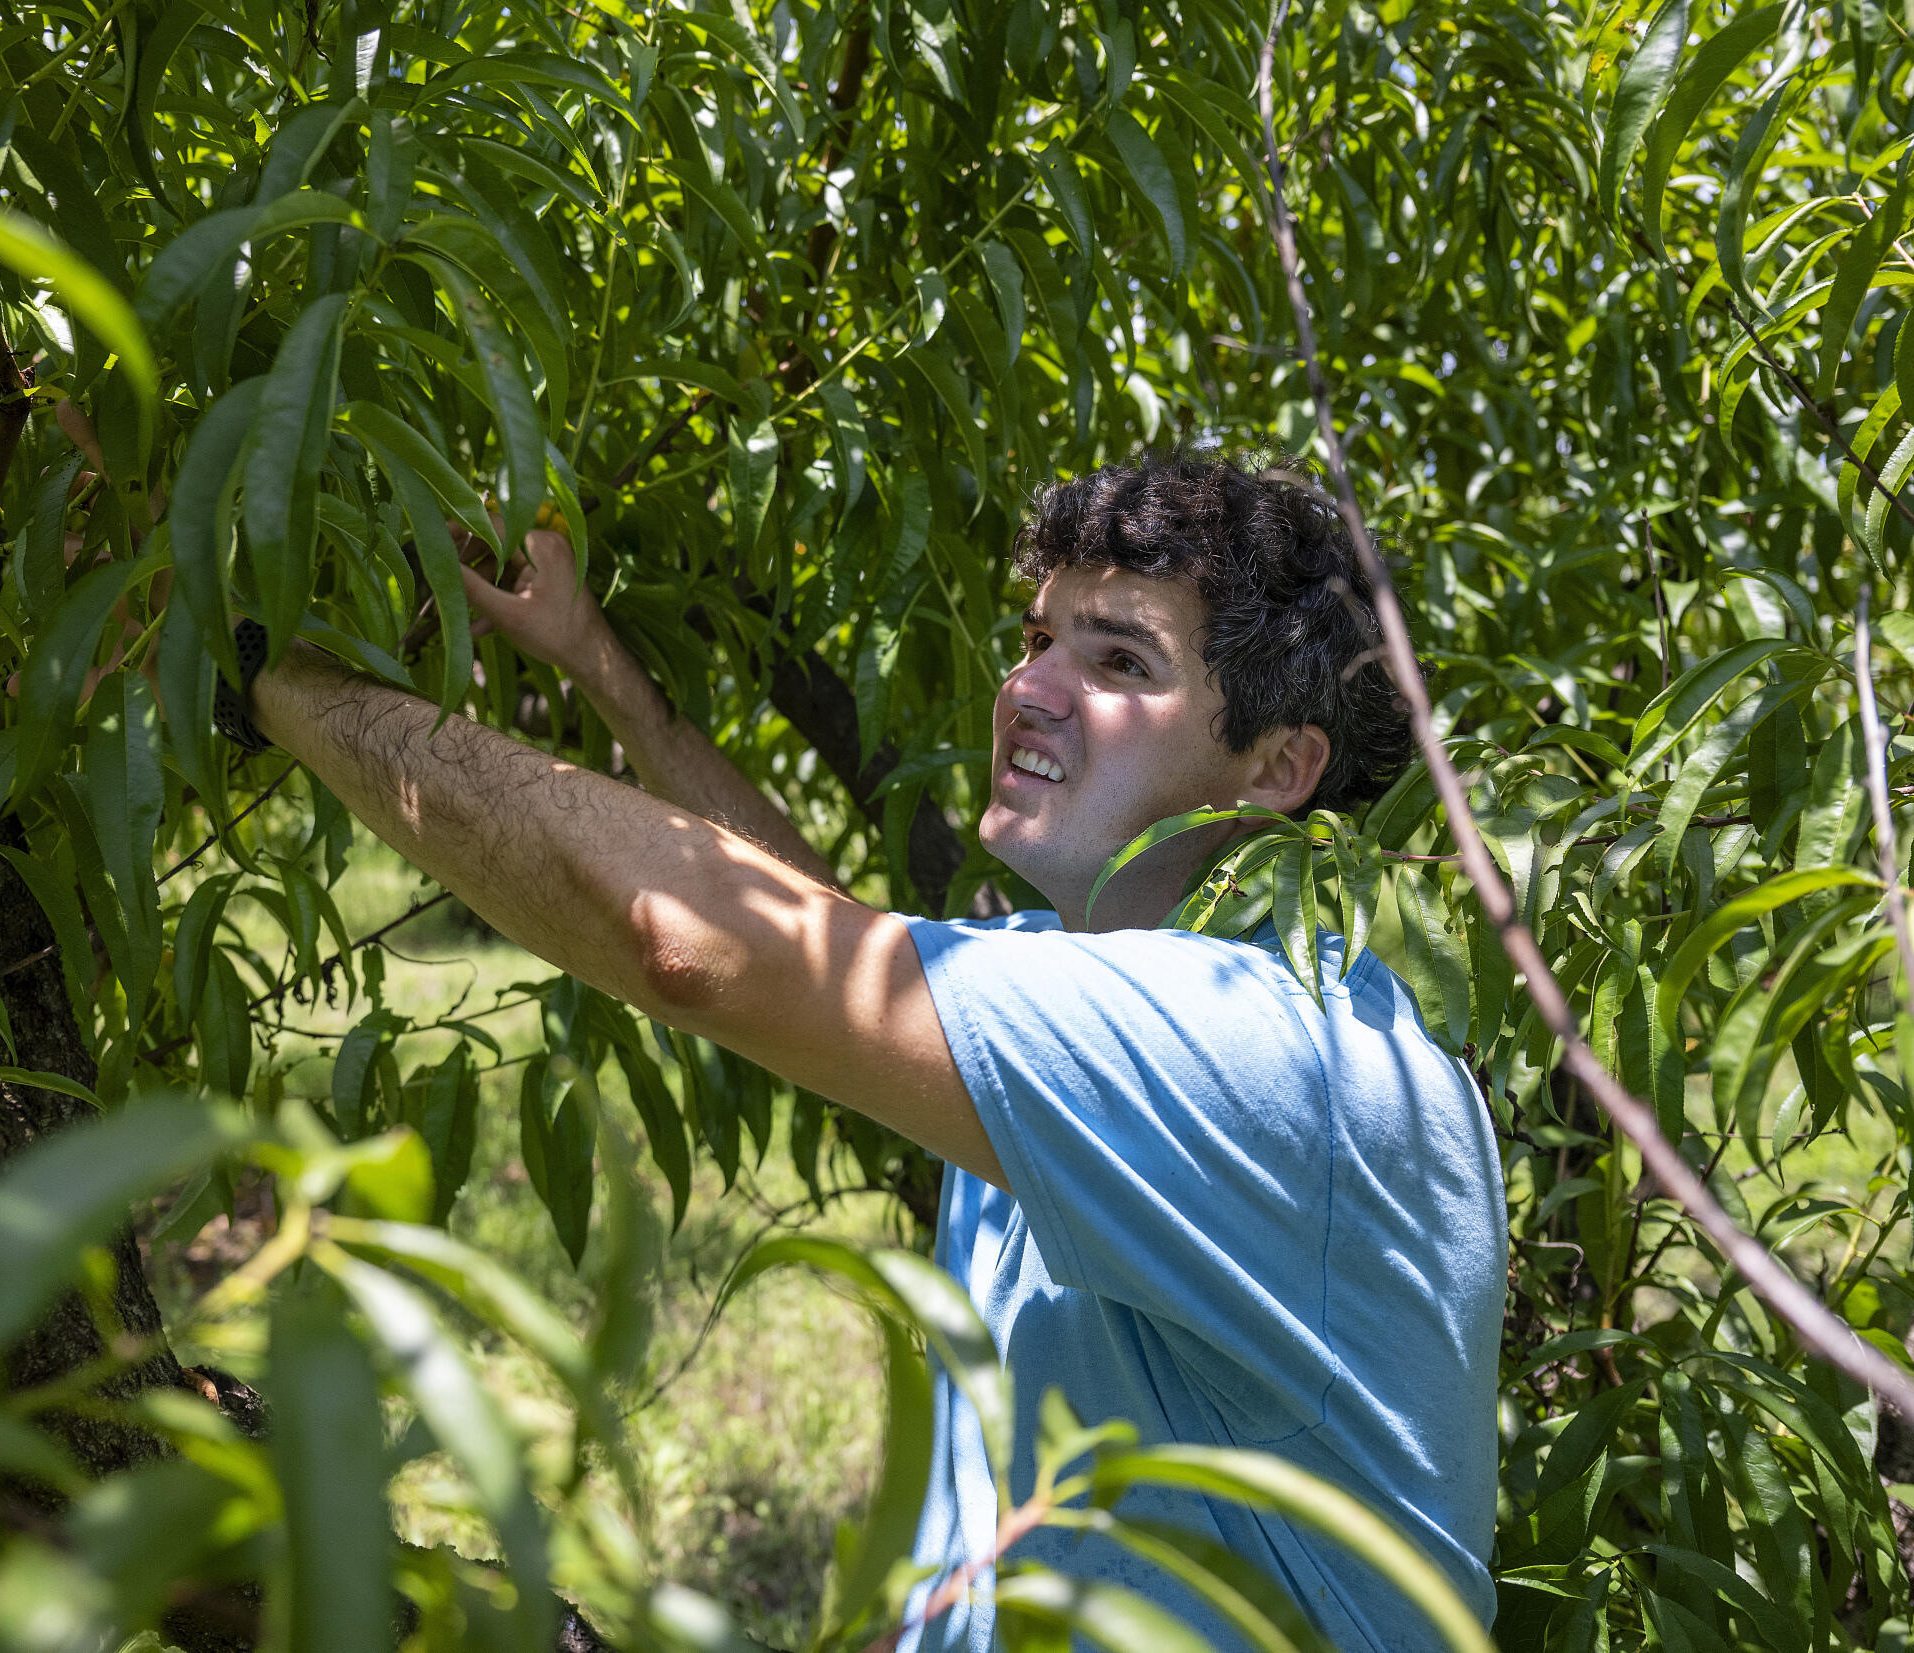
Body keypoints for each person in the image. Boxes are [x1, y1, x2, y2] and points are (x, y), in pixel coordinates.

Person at [228, 452, 1505, 1651]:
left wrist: (265, 676)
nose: (1028, 689)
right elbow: (825, 936)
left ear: (1276, 767)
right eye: (1036, 640)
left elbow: (703, 944)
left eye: (1118, 661)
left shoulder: (1258, 1041)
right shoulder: (1108, 986)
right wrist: (593, 660)